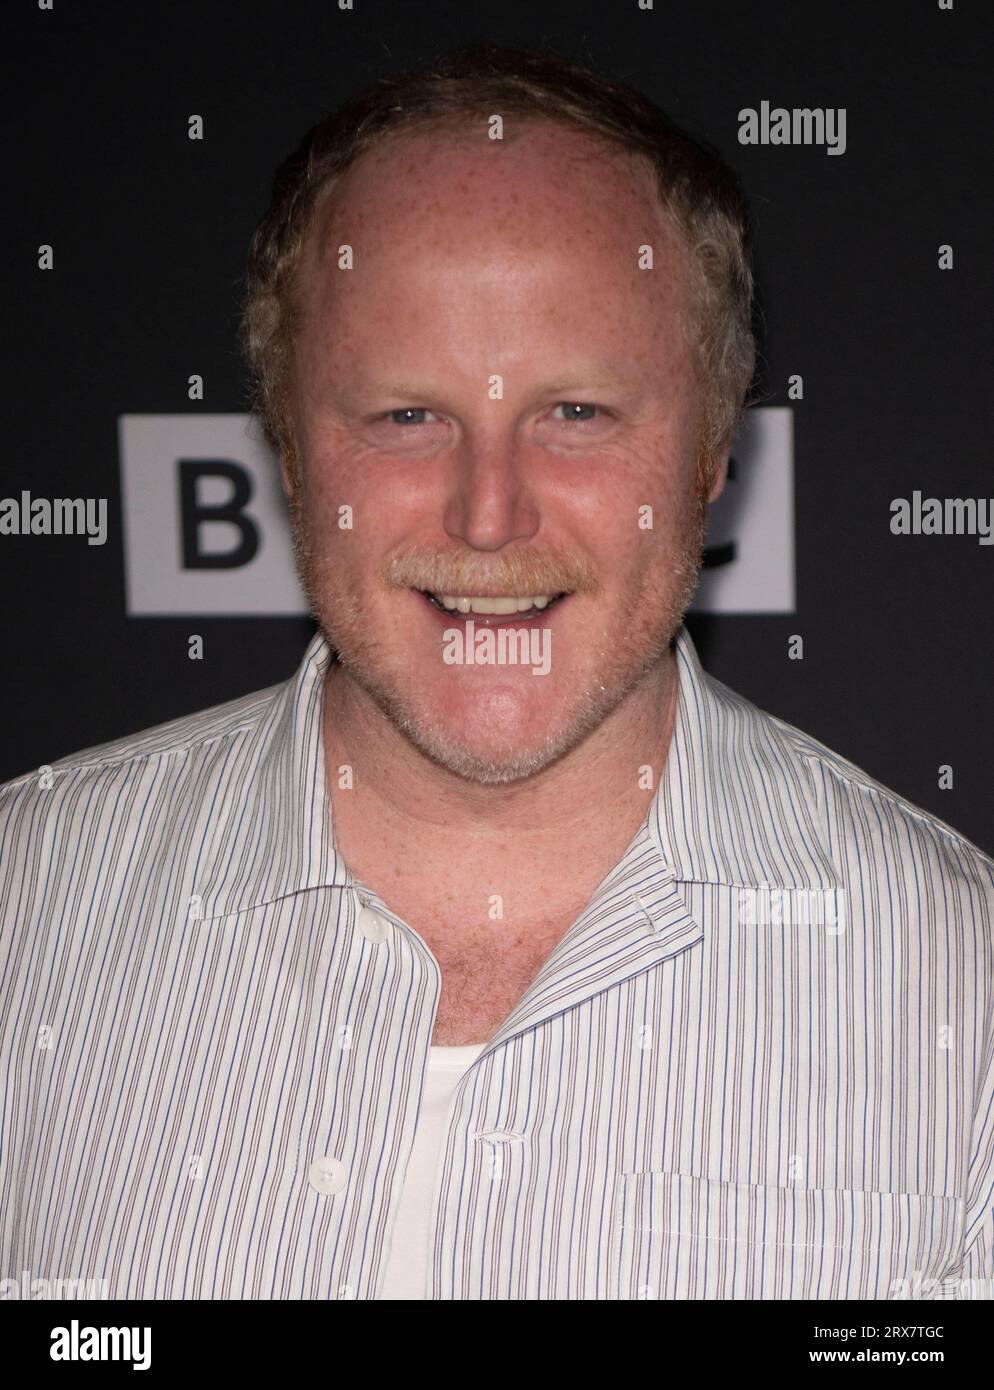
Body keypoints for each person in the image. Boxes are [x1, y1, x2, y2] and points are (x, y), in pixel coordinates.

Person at [1, 44, 991, 1302]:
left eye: (576, 412)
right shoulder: (22, 909)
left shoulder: (962, 994)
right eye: (406, 415)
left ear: (712, 453)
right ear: (289, 454)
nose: (486, 516)